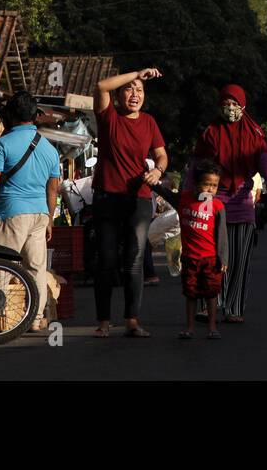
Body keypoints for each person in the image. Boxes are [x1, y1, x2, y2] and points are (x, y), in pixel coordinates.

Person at [187, 85, 267, 324]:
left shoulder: (255, 133)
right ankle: (210, 304)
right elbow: (196, 164)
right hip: (213, 202)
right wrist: (187, 193)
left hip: (242, 203)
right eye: (226, 103)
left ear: (243, 105)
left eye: (234, 103)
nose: (230, 108)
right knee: (210, 255)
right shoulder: (210, 132)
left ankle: (234, 307)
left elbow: (264, 159)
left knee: (240, 259)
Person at [92, 67, 169, 338]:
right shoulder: (108, 116)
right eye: (129, 88)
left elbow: (161, 155)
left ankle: (132, 320)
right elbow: (101, 86)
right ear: (119, 94)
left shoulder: (149, 122)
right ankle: (103, 322)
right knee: (107, 260)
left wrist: (158, 171)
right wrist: (137, 73)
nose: (135, 94)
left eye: (140, 90)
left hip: (139, 199)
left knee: (134, 260)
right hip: (106, 197)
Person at [0, 92, 60, 334]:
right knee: (35, 268)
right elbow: (53, 188)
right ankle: (34, 318)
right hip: (40, 214)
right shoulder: (49, 148)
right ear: (35, 116)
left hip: (12, 213)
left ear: (10, 115)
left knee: (0, 264)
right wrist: (50, 220)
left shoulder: (2, 143)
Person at [146, 161, 229, 339]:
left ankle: (212, 327)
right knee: (190, 293)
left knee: (211, 294)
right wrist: (151, 179)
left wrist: (224, 258)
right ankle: (189, 328)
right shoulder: (183, 199)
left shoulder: (218, 206)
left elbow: (222, 235)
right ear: (196, 184)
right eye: (206, 184)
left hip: (210, 259)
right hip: (189, 258)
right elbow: (165, 192)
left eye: (214, 185)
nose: (210, 189)